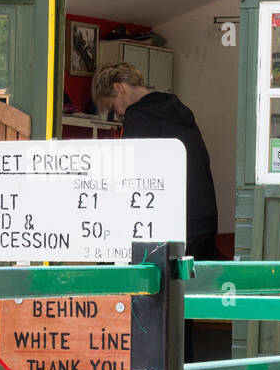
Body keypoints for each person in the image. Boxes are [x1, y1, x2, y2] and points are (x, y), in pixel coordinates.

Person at [91, 61, 218, 262]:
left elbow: (132, 178)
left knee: (158, 291)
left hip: (175, 229)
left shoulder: (139, 117)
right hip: (204, 221)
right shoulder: (176, 110)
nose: (118, 114)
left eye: (112, 106)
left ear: (119, 87)